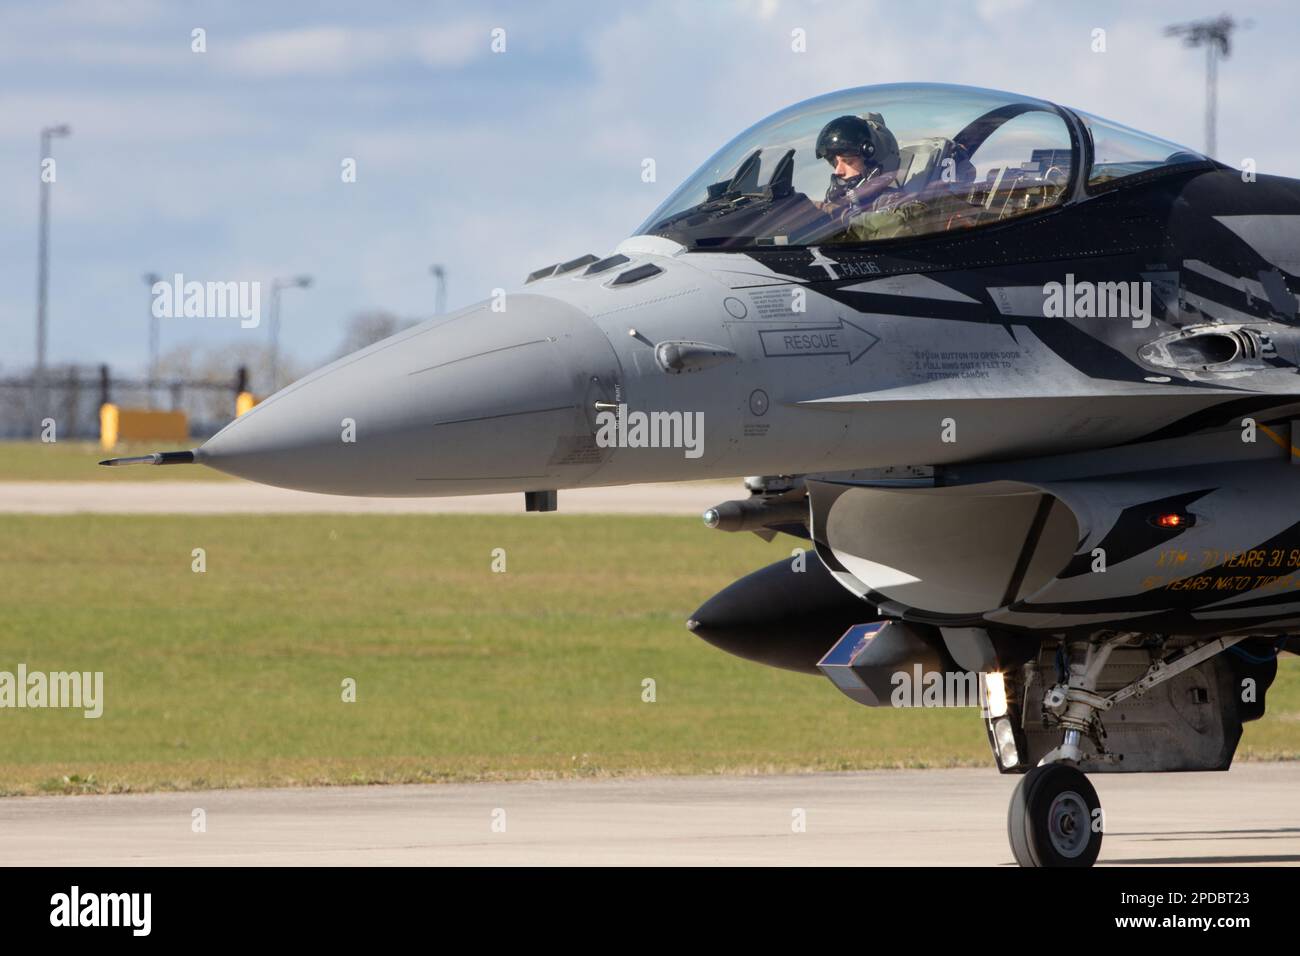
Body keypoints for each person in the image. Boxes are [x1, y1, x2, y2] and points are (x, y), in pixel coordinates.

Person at [814, 113, 929, 242]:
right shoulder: (848, 206)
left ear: (875, 165)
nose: (838, 171)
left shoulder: (900, 205)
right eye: (835, 163)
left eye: (848, 162)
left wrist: (840, 218)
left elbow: (894, 227)